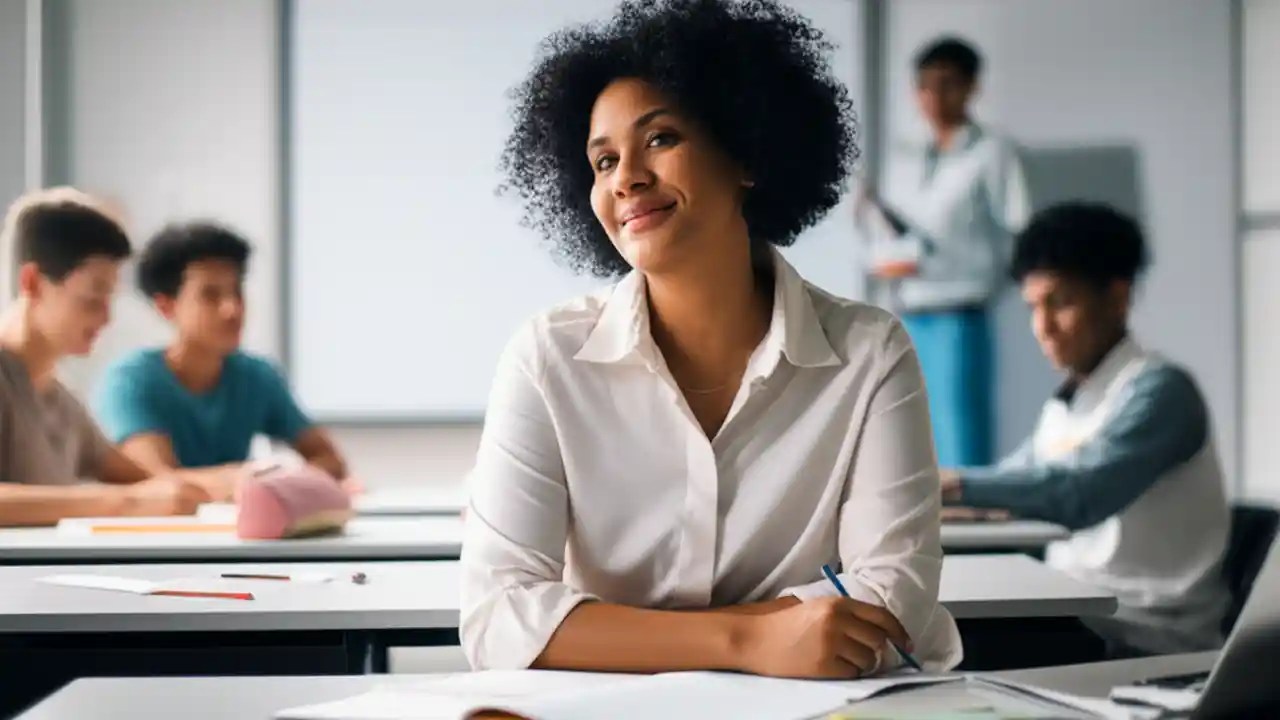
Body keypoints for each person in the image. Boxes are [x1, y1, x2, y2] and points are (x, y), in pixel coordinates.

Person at [460, 0, 961, 678]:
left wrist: (605, 629)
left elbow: (891, 599)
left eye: (660, 139)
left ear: (746, 154)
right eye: (603, 161)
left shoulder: (870, 353)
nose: (626, 179)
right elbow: (498, 616)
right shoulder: (546, 358)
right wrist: (749, 642)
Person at [941, 202, 1230, 655]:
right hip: (1080, 606)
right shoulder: (1071, 400)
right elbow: (1012, 487)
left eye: (1060, 303)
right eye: (1033, 307)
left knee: (956, 641)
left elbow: (1079, 493)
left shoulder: (1161, 391)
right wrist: (918, 499)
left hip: (1148, 629)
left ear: (1117, 297)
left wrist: (952, 484)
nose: (1043, 328)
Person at [857, 36, 1029, 468]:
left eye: (948, 84)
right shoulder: (905, 156)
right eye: (925, 86)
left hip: (959, 311)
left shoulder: (992, 153)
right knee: (907, 436)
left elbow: (1022, 228)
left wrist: (995, 278)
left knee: (961, 436)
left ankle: (969, 533)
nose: (934, 97)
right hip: (907, 309)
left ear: (972, 87)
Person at [0, 188, 213, 526]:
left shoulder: (60, 399)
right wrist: (124, 503)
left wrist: (234, 481)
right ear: (33, 283)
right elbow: (132, 497)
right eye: (93, 297)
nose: (106, 318)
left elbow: (149, 483)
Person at [94, 222, 349, 484]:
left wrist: (278, 481)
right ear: (166, 307)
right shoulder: (130, 380)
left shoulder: (257, 376)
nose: (232, 309)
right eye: (210, 295)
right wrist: (260, 478)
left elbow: (330, 461)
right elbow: (159, 481)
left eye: (237, 292)